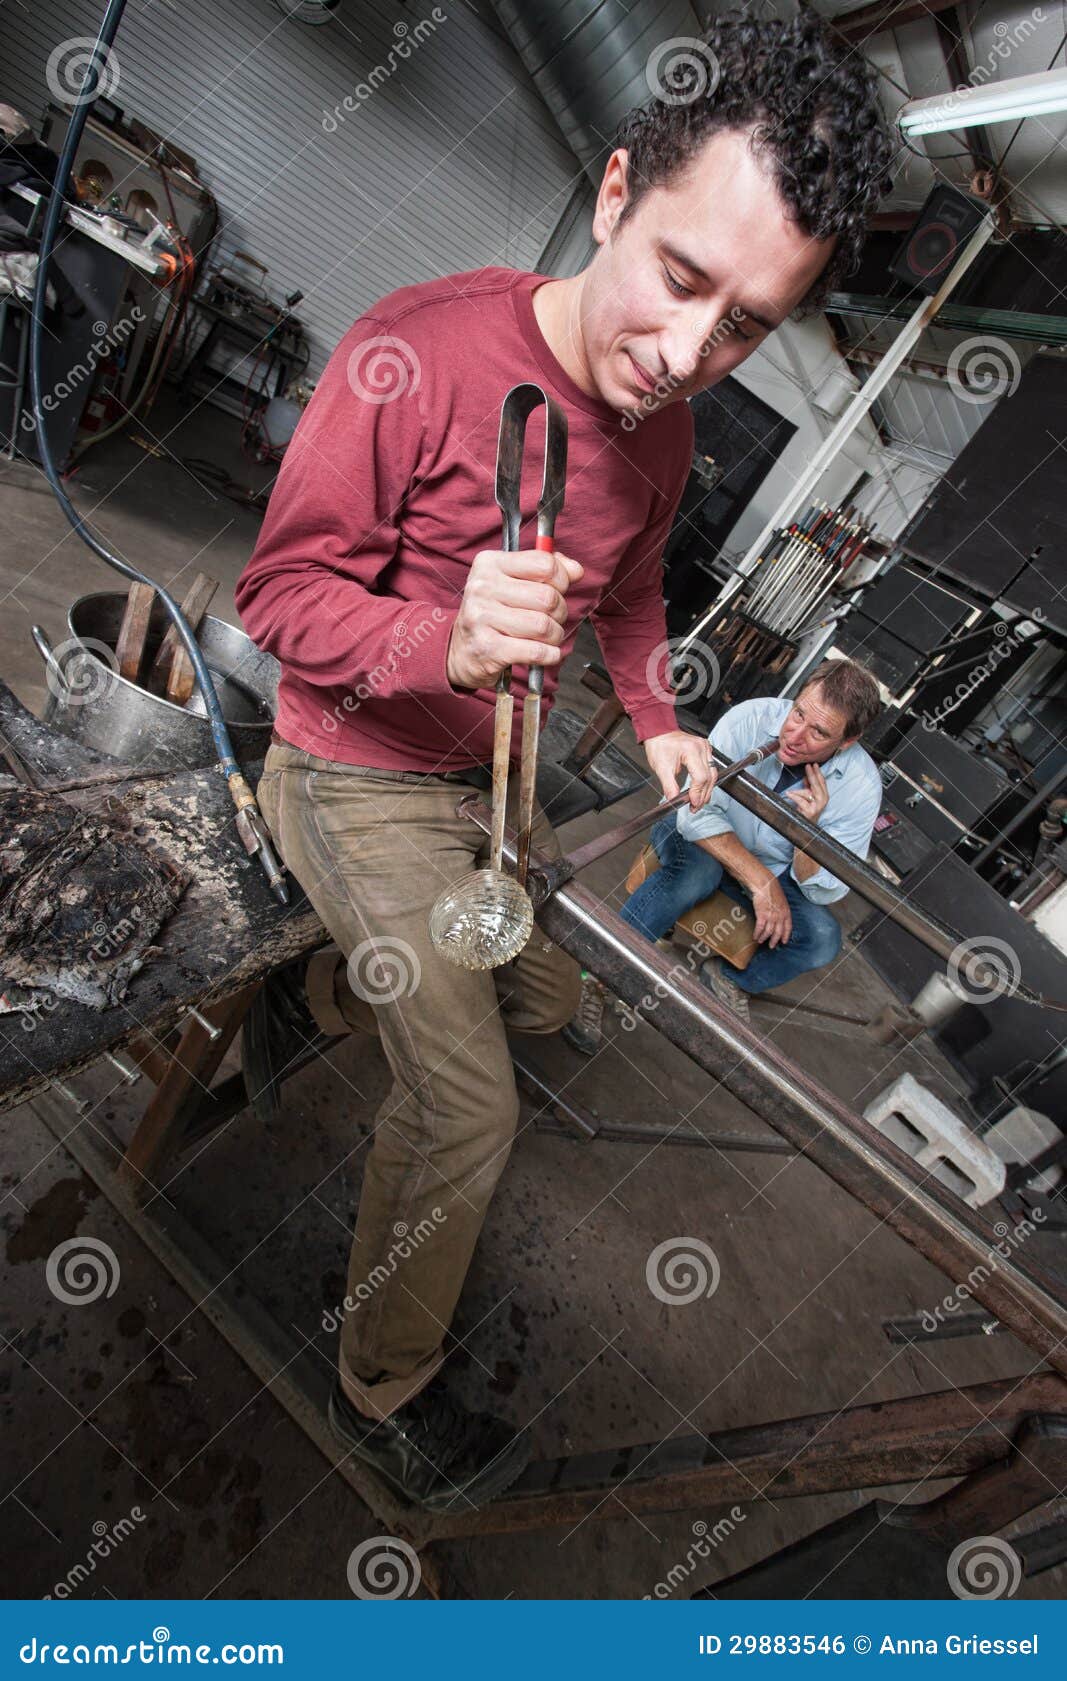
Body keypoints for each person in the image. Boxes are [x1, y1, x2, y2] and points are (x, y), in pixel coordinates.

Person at [233, 12, 893, 1514]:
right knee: (471, 1106)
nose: (682, 354)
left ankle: (318, 988)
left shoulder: (659, 437)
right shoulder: (416, 346)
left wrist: (658, 720)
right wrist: (436, 644)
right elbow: (274, 600)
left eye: (741, 329)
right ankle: (378, 1385)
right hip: (349, 767)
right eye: (676, 278)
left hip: (491, 787)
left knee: (549, 995)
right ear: (610, 198)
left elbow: (636, 591)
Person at [596, 660, 881, 1040]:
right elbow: (693, 813)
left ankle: (728, 977)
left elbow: (826, 889)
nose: (795, 736)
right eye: (798, 714)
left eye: (819, 732)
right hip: (701, 841)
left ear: (847, 742)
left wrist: (806, 835)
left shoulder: (861, 786)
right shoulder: (750, 719)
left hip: (773, 872)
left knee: (821, 939)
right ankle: (600, 973)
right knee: (700, 872)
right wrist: (762, 883)